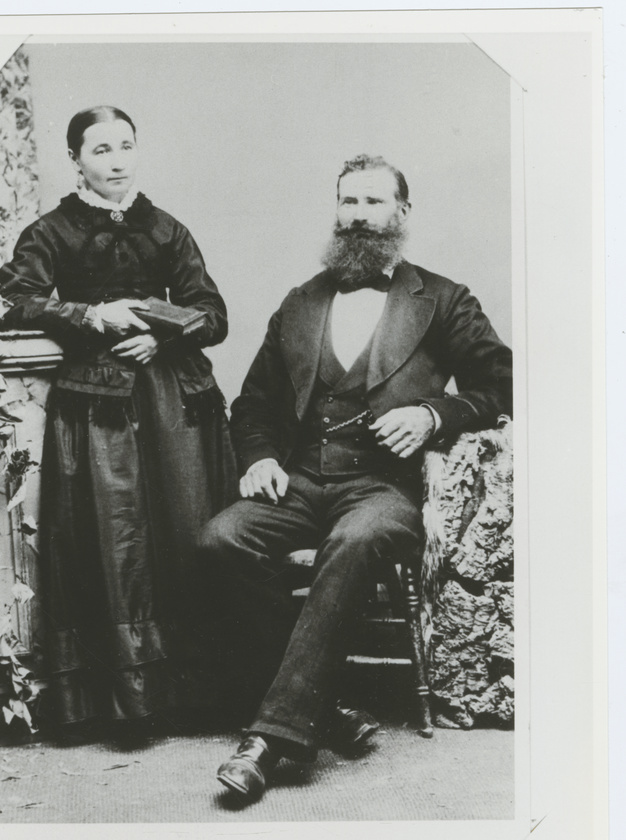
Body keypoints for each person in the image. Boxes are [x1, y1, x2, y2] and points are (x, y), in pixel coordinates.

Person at [198, 154, 513, 803]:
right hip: (301, 479)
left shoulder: (443, 298)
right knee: (220, 542)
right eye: (349, 202)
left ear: (401, 212)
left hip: (386, 489)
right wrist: (259, 456)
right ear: (336, 212)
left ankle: (270, 740)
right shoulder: (302, 302)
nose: (360, 216)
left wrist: (433, 414)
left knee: (354, 541)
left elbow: (501, 385)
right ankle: (322, 706)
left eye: (374, 202)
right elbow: (254, 403)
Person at [0, 105, 235, 737]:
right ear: (75, 158)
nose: (117, 161)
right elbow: (17, 299)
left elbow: (212, 313)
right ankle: (124, 706)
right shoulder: (51, 232)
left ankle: (196, 698)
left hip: (173, 405)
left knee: (185, 529)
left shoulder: (167, 229)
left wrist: (163, 334)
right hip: (99, 410)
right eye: (101, 150)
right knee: (116, 543)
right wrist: (93, 318)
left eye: (126, 146)